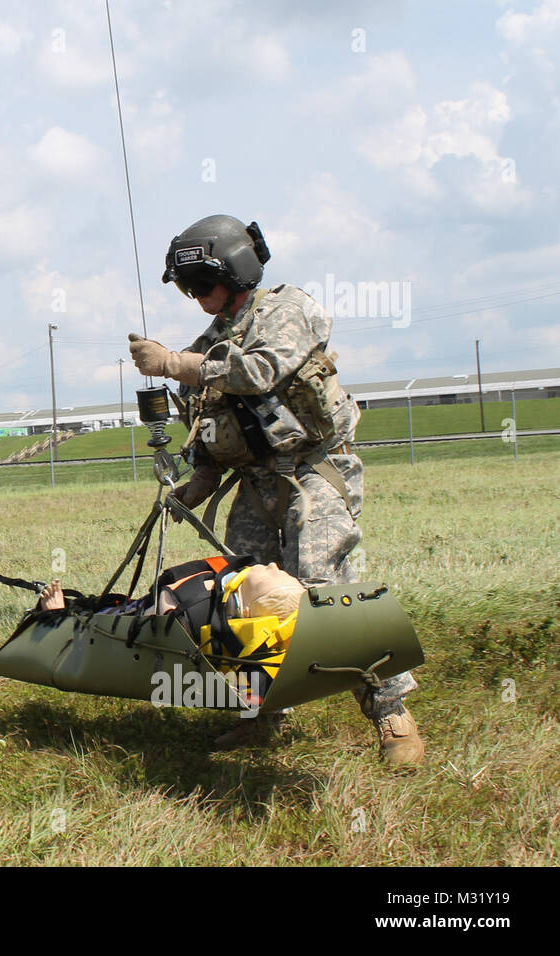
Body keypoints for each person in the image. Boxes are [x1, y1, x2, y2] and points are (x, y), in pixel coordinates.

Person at [128, 215, 424, 764]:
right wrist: (202, 478)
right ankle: (261, 714)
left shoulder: (289, 310)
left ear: (236, 270)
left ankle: (392, 714)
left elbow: (261, 371)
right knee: (244, 594)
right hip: (258, 482)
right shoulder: (212, 341)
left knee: (321, 584)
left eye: (202, 285)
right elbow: (210, 417)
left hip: (315, 470)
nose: (197, 299)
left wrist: (173, 363)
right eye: (189, 289)